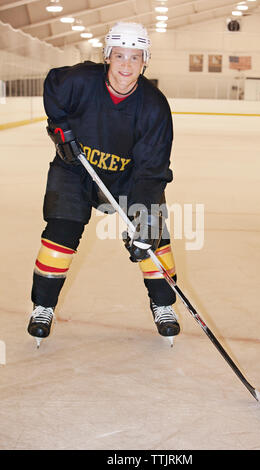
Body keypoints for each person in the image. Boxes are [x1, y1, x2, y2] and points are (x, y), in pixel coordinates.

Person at [27, 22, 180, 347]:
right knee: (60, 231)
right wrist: (60, 128)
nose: (126, 65)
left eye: (134, 58)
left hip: (128, 177)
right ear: (107, 56)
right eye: (119, 56)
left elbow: (152, 170)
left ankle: (163, 304)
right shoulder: (80, 79)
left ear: (145, 62)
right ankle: (43, 305)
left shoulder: (153, 107)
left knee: (153, 234)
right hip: (75, 168)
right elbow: (53, 87)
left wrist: (144, 219)